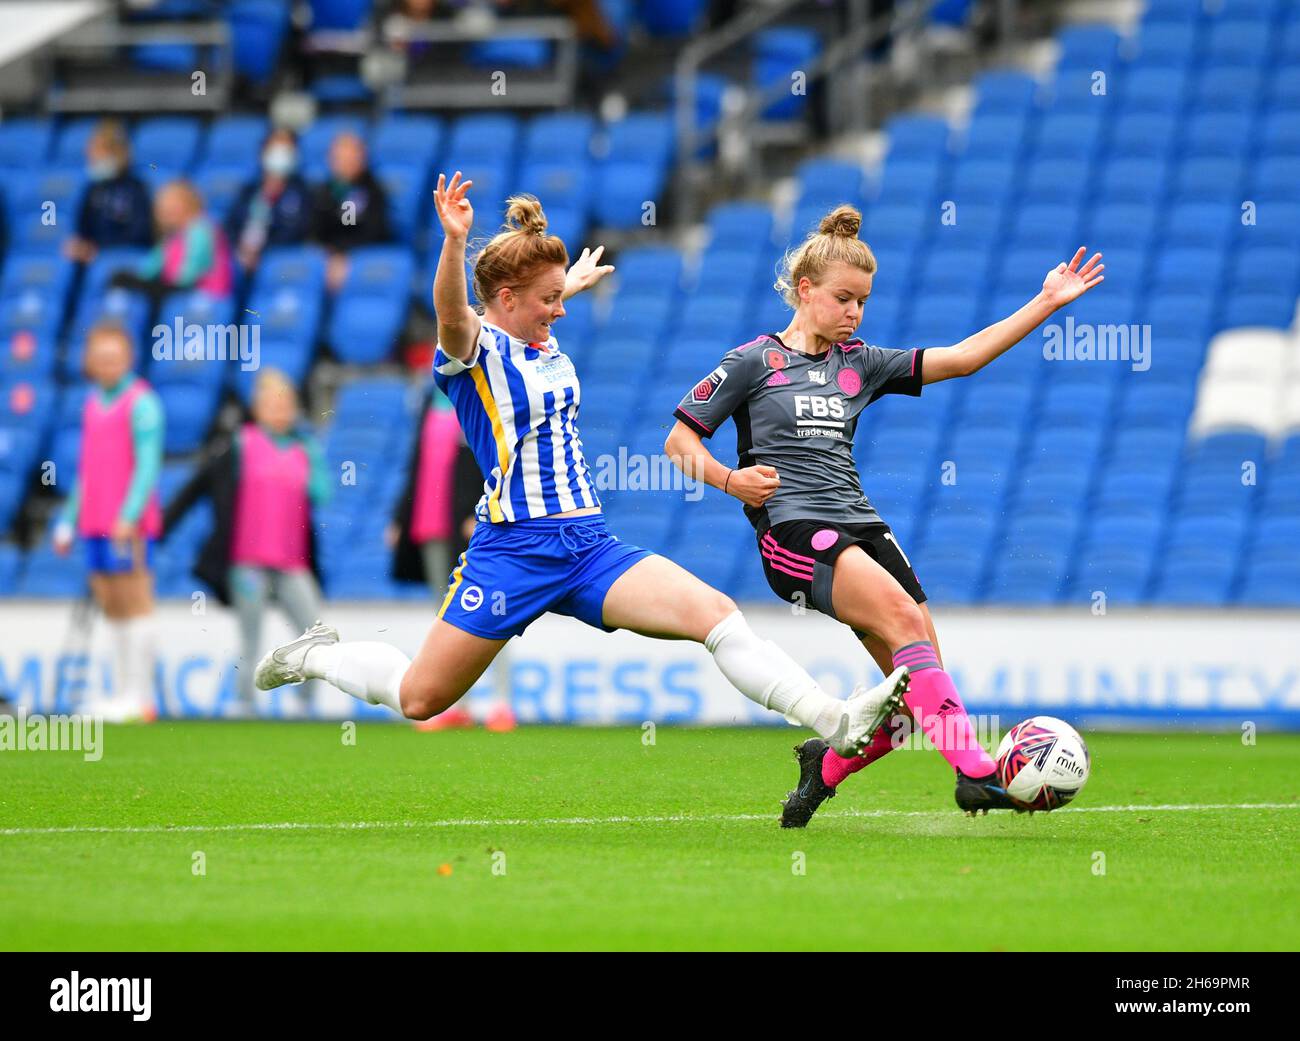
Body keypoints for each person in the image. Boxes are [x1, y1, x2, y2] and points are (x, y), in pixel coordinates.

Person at [254, 175, 910, 757]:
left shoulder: (537, 341)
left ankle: (834, 718)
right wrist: (455, 244)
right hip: (513, 550)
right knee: (421, 698)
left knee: (713, 613)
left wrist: (563, 282)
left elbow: (525, 305)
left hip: (588, 544)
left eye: (560, 295)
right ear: (506, 298)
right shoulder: (473, 353)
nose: (561, 308)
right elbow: (455, 312)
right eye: (549, 299)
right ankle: (318, 652)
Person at [664, 205, 1104, 826]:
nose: (855, 313)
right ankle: (976, 772)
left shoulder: (860, 363)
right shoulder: (751, 363)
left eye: (863, 302)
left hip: (864, 526)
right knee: (904, 627)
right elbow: (678, 445)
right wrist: (731, 480)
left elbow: (963, 358)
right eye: (844, 299)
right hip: (794, 528)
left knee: (918, 687)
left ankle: (827, 767)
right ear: (805, 289)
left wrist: (1045, 303)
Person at [163, 369, 330, 716]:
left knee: (313, 632)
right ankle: (244, 704)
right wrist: (163, 524)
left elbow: (322, 493)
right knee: (250, 636)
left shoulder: (304, 449)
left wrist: (313, 458)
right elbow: (200, 486)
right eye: (271, 404)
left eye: (285, 404)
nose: (279, 411)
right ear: (257, 408)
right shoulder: (240, 444)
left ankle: (307, 706)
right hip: (249, 562)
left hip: (291, 562)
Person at [52, 321, 165, 723]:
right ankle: (122, 693)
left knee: (135, 601)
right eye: (100, 358)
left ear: (128, 358)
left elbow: (149, 464)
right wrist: (68, 519)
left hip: (126, 525)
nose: (107, 364)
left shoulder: (143, 402)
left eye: (114, 357)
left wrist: (129, 515)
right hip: (95, 522)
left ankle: (141, 695)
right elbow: (87, 470)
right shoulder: (91, 403)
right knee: (112, 605)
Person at [389, 387, 517, 731]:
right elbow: (417, 465)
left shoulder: (482, 392)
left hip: (472, 522)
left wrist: (482, 506)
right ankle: (456, 705)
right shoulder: (429, 401)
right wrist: (400, 517)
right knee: (447, 617)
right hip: (431, 523)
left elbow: (496, 457)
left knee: (490, 612)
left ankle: (501, 703)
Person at [112, 180, 232, 301]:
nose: (167, 212)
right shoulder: (173, 234)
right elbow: (151, 266)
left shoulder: (201, 227)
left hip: (200, 292)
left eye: (172, 205)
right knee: (122, 279)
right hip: (175, 289)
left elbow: (191, 271)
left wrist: (158, 286)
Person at [312, 131, 392, 292]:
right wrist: (329, 254)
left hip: (361, 255)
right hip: (327, 256)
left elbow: (375, 231)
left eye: (350, 156)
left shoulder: (374, 191)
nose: (344, 163)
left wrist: (343, 254)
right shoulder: (323, 191)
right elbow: (314, 230)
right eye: (339, 157)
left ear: (362, 158)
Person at [64, 119, 153, 263]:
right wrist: (80, 247)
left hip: (125, 259)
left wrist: (99, 249)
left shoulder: (136, 188)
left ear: (116, 152)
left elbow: (141, 234)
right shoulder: (92, 189)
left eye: (97, 150)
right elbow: (81, 230)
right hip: (93, 262)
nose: (89, 155)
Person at [226, 128, 313, 275]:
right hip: (241, 258)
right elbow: (231, 224)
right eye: (275, 148)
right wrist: (240, 248)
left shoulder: (302, 192)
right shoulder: (249, 190)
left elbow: (296, 230)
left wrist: (262, 251)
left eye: (285, 149)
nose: (280, 154)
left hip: (278, 262)